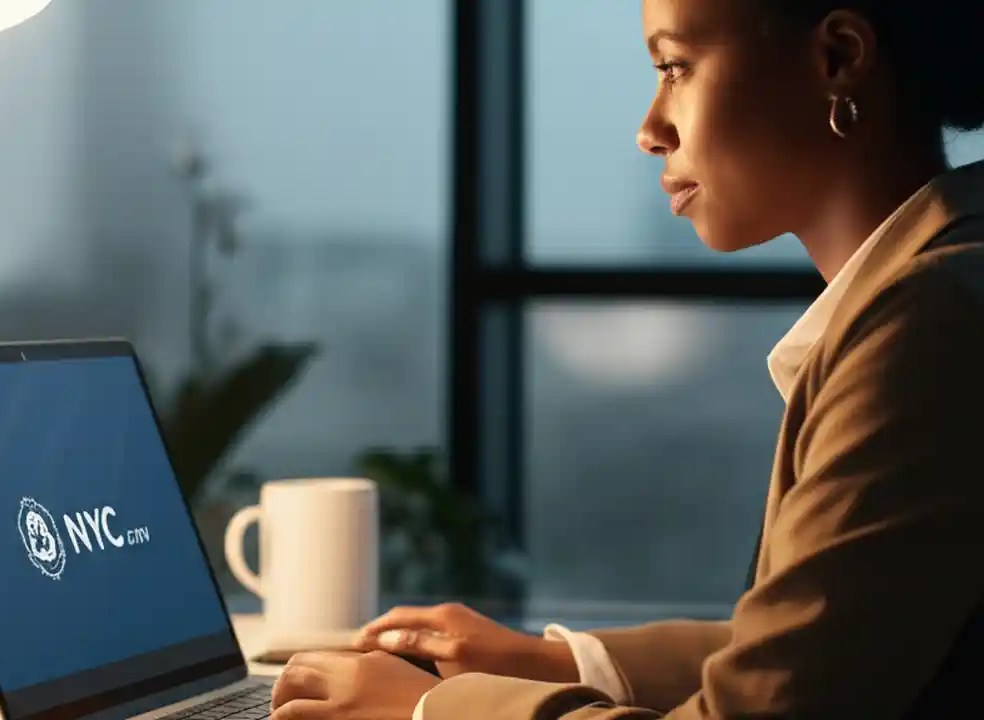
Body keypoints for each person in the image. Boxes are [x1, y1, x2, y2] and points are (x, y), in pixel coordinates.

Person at [269, 0, 984, 718]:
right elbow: (817, 649)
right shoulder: (942, 282)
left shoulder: (928, 327)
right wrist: (547, 662)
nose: (650, 131)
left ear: (837, 57)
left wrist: (428, 712)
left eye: (676, 67)